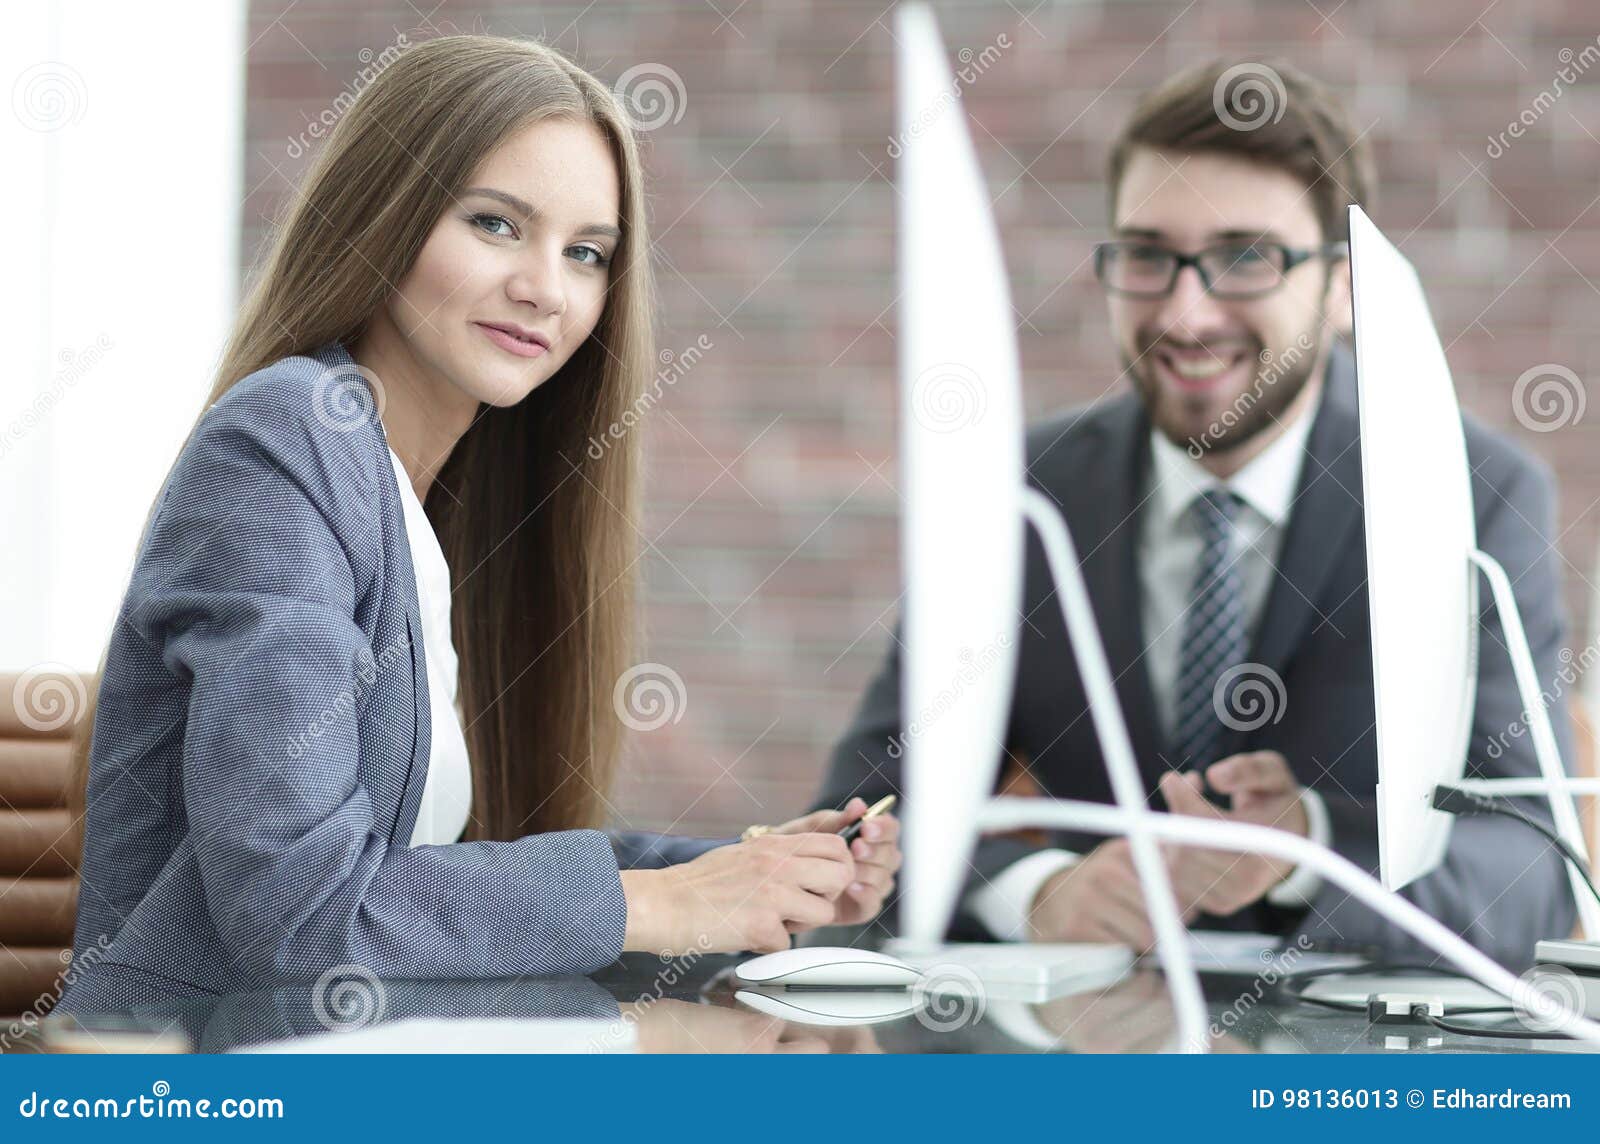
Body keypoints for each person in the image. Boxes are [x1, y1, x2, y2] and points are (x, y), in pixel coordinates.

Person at [57, 34, 899, 1014]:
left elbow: (429, 883)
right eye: (497, 225)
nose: (548, 287)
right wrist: (658, 904)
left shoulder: (415, 503)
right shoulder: (286, 438)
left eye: (587, 253)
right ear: (385, 218)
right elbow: (296, 905)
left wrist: (753, 874)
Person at [817, 58, 1573, 969]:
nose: (1185, 312)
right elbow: (868, 816)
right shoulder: (1022, 492)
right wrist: (1040, 894)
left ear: (1342, 289)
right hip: (1080, 1054)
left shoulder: (1474, 494)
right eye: (1147, 256)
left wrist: (1295, 859)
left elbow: (1529, 868)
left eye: (1245, 257)